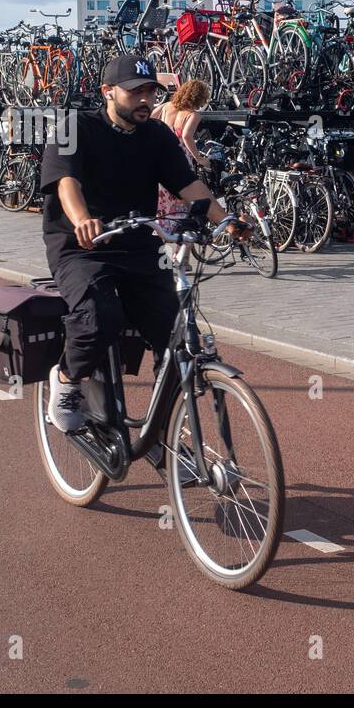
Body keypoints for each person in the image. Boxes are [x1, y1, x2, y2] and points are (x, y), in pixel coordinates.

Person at [40, 54, 249, 435]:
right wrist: (82, 219)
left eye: (150, 91)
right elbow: (65, 182)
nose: (145, 100)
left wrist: (227, 221)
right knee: (99, 317)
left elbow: (188, 186)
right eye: (135, 92)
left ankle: (161, 437)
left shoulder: (155, 135)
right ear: (108, 93)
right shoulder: (77, 128)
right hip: (81, 246)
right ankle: (68, 381)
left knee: (176, 338)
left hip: (137, 243)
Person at [155, 78, 213, 225]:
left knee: (163, 201)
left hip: (160, 157)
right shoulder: (193, 115)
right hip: (179, 159)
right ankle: (183, 236)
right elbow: (187, 136)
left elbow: (149, 119)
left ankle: (163, 230)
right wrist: (200, 158)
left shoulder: (166, 106)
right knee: (183, 197)